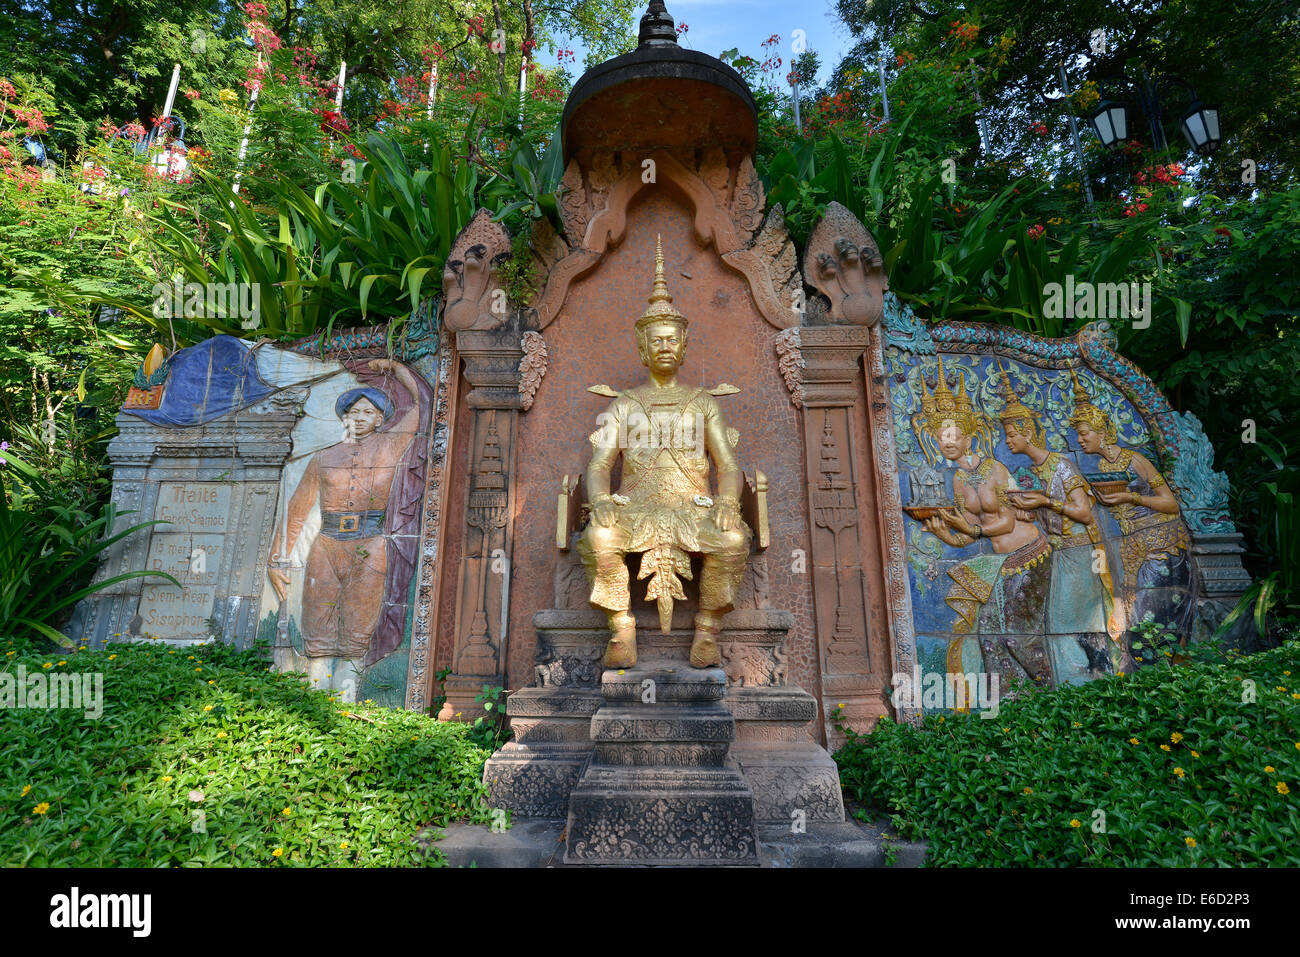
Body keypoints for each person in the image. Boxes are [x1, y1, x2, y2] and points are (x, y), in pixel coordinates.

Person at [576, 237, 751, 670]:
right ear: (642, 348)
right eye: (657, 341)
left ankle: (707, 630)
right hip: (635, 507)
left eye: (673, 340)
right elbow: (599, 466)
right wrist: (600, 501)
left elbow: (728, 465)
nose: (665, 347)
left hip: (694, 508)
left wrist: (728, 501)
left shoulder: (703, 402)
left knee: (732, 538)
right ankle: (622, 629)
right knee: (598, 538)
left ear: (685, 345)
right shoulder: (624, 404)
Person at [268, 359, 420, 697]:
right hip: (326, 547)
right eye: (354, 412)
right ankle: (315, 705)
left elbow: (420, 404)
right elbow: (296, 511)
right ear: (344, 417)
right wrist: (278, 559)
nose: (361, 418)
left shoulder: (391, 446)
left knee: (355, 635)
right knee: (319, 633)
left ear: (380, 420)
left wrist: (396, 368)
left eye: (368, 413)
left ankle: (346, 709)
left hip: (369, 548)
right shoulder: (323, 458)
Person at [915, 357, 1052, 693]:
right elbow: (967, 534)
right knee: (988, 634)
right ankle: (1011, 708)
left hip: (1030, 553)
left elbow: (1005, 521)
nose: (945, 441)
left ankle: (1050, 697)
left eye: (952, 435)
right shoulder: (960, 480)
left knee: (1018, 635)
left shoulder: (995, 468)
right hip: (1002, 562)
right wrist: (942, 530)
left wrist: (972, 529)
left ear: (968, 437)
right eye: (940, 436)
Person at [1001, 365, 1124, 680]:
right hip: (1061, 553)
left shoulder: (1062, 467)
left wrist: (1044, 501)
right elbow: (1044, 515)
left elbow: (1083, 513)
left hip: (1081, 554)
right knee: (1062, 624)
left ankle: (1084, 686)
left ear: (1027, 432)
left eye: (1012, 434)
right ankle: (1078, 687)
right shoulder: (1037, 470)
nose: (1008, 441)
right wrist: (1020, 508)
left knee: (1070, 623)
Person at [1068, 369, 1192, 664]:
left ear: (1102, 432)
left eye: (1085, 434)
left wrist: (1130, 496)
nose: (1081, 441)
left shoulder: (1134, 460)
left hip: (1162, 549)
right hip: (1134, 550)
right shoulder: (1101, 466)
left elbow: (1171, 504)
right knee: (1134, 619)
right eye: (1078, 436)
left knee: (1148, 620)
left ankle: (1160, 678)